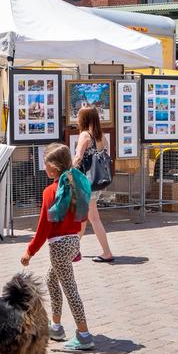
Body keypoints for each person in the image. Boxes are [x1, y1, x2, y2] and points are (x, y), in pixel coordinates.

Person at [20, 143, 95, 351]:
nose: (44, 167)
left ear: (53, 167)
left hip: (59, 246)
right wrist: (76, 243)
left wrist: (29, 251)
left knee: (70, 289)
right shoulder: (75, 185)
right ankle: (56, 326)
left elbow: (43, 227)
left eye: (45, 163)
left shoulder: (49, 192)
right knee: (52, 280)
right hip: (72, 242)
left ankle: (84, 334)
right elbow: (83, 217)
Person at [72, 106, 114, 262]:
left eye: (79, 115)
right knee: (83, 217)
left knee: (92, 218)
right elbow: (105, 154)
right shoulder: (101, 136)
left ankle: (107, 252)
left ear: (84, 118)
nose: (77, 118)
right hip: (96, 182)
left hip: (84, 182)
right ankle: (74, 250)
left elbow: (78, 158)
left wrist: (67, 173)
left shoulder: (84, 135)